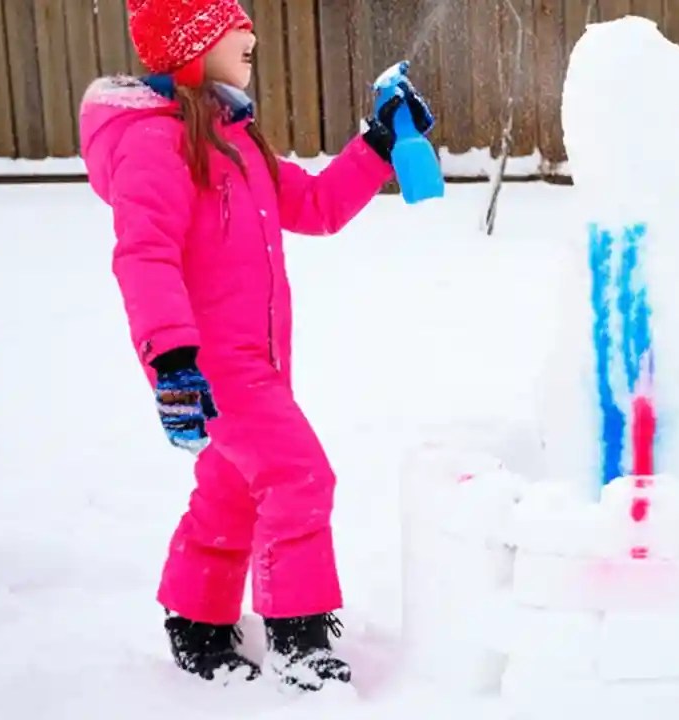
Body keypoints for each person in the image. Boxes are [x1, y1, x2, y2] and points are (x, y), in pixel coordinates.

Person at [79, 0, 434, 690]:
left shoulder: (235, 140)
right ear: (191, 45)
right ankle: (300, 642)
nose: (252, 35)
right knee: (299, 478)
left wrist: (378, 145)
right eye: (232, 25)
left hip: (262, 365)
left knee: (231, 495)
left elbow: (317, 206)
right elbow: (143, 255)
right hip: (216, 368)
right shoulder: (157, 145)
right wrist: (173, 360)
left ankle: (198, 622)